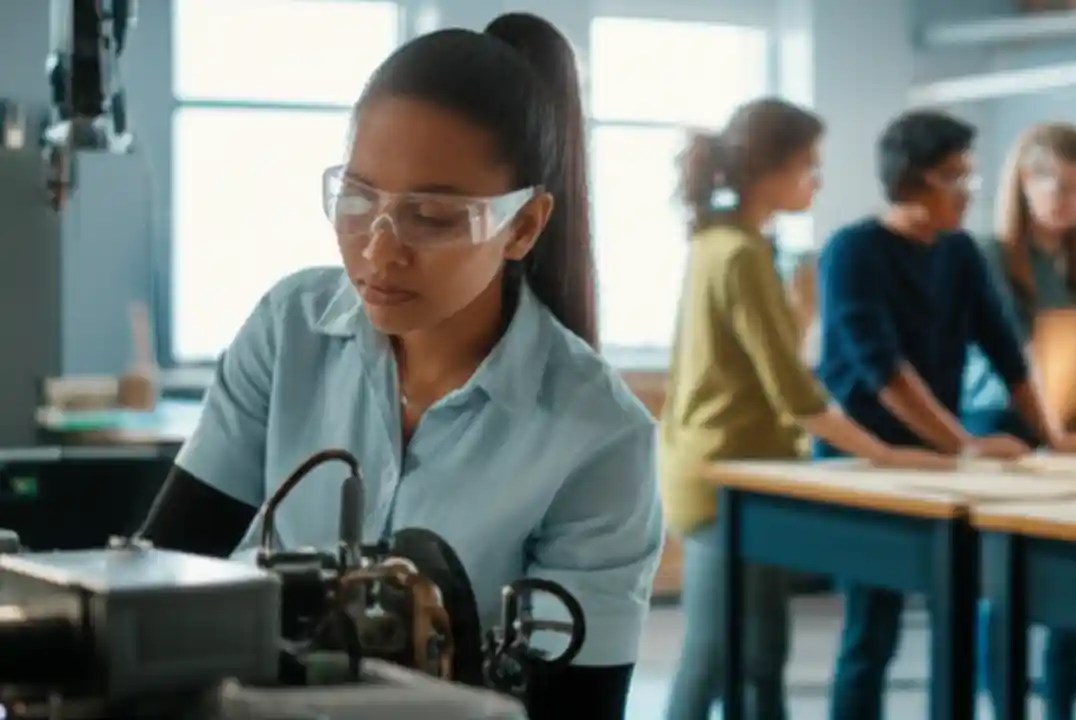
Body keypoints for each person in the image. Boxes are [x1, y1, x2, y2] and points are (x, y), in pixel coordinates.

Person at [138, 14, 661, 718]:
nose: (379, 252)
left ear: (525, 226)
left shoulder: (597, 436)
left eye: (435, 217)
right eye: (358, 200)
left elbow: (576, 706)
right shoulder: (290, 328)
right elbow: (160, 568)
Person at [660, 98, 954, 720]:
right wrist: (887, 454)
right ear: (769, 169)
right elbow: (794, 395)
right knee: (716, 657)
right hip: (725, 479)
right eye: (809, 166)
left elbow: (761, 365)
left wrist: (802, 307)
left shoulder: (728, 244)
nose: (818, 181)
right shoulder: (738, 253)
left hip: (739, 469)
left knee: (764, 656)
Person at [815, 110, 1076, 720]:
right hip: (866, 462)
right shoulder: (853, 250)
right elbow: (884, 371)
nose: (969, 191)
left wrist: (1053, 436)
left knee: (953, 621)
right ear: (913, 180)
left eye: (970, 176)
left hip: (937, 458)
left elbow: (1004, 347)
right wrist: (965, 444)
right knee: (872, 632)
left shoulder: (960, 252)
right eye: (956, 177)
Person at [961, 122, 1076, 720]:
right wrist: (1047, 430)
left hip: (1066, 430)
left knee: (1071, 590)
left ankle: (1061, 709)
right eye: (1062, 188)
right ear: (1026, 181)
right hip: (1000, 424)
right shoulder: (987, 255)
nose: (1071, 205)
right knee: (1001, 594)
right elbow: (1011, 356)